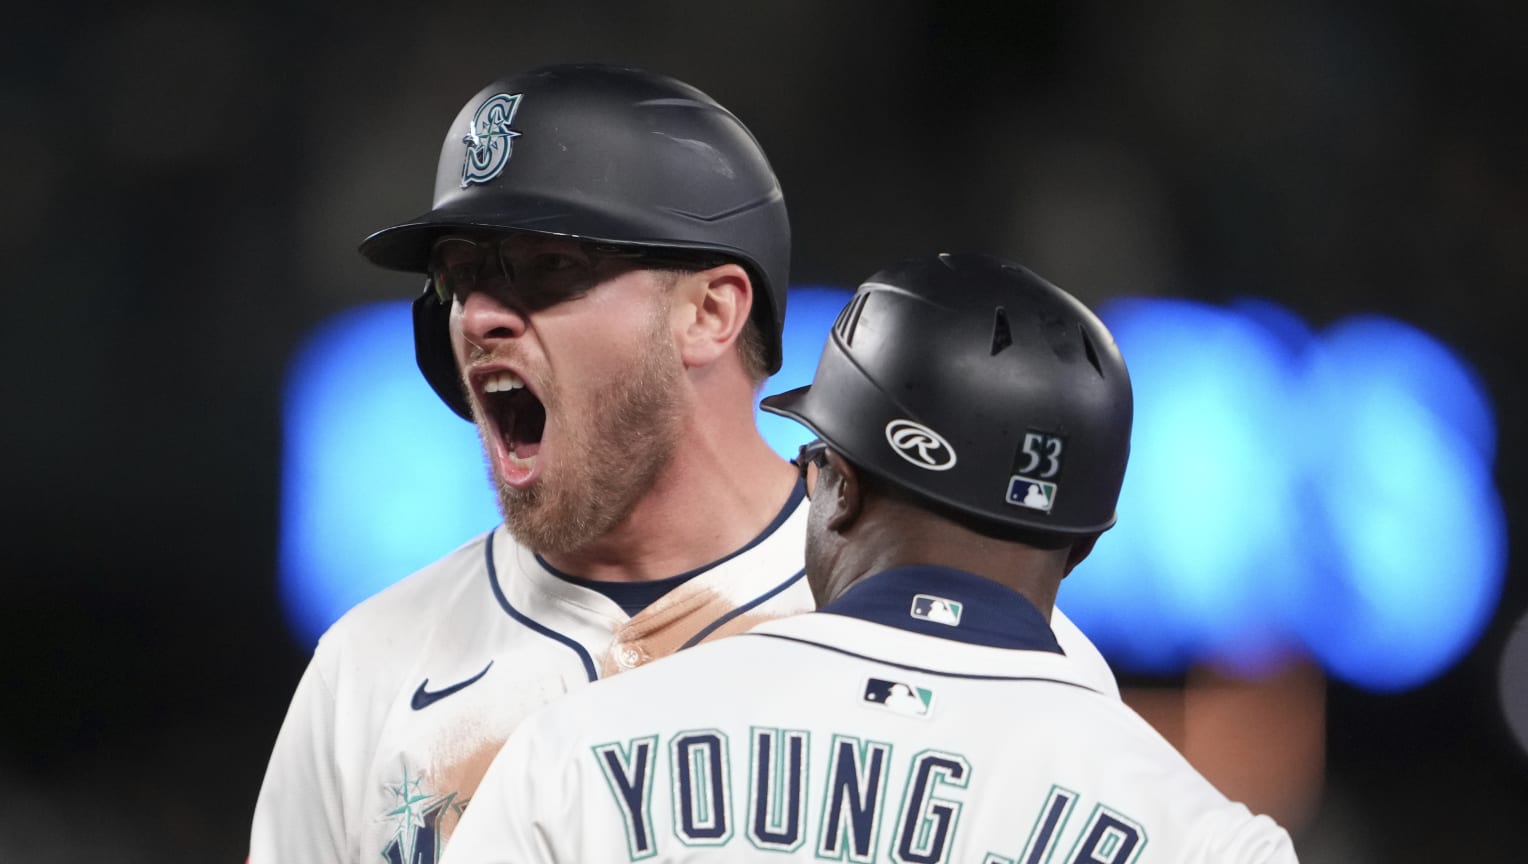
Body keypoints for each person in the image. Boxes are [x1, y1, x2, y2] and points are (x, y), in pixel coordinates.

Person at [249, 64, 1119, 864]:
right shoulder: (369, 669)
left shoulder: (999, 658)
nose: (479, 317)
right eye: (460, 276)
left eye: (548, 267)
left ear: (710, 312)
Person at [441, 253, 1299, 863]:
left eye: (812, 463)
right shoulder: (1210, 839)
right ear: (1083, 541)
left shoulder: (583, 751)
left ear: (838, 488)